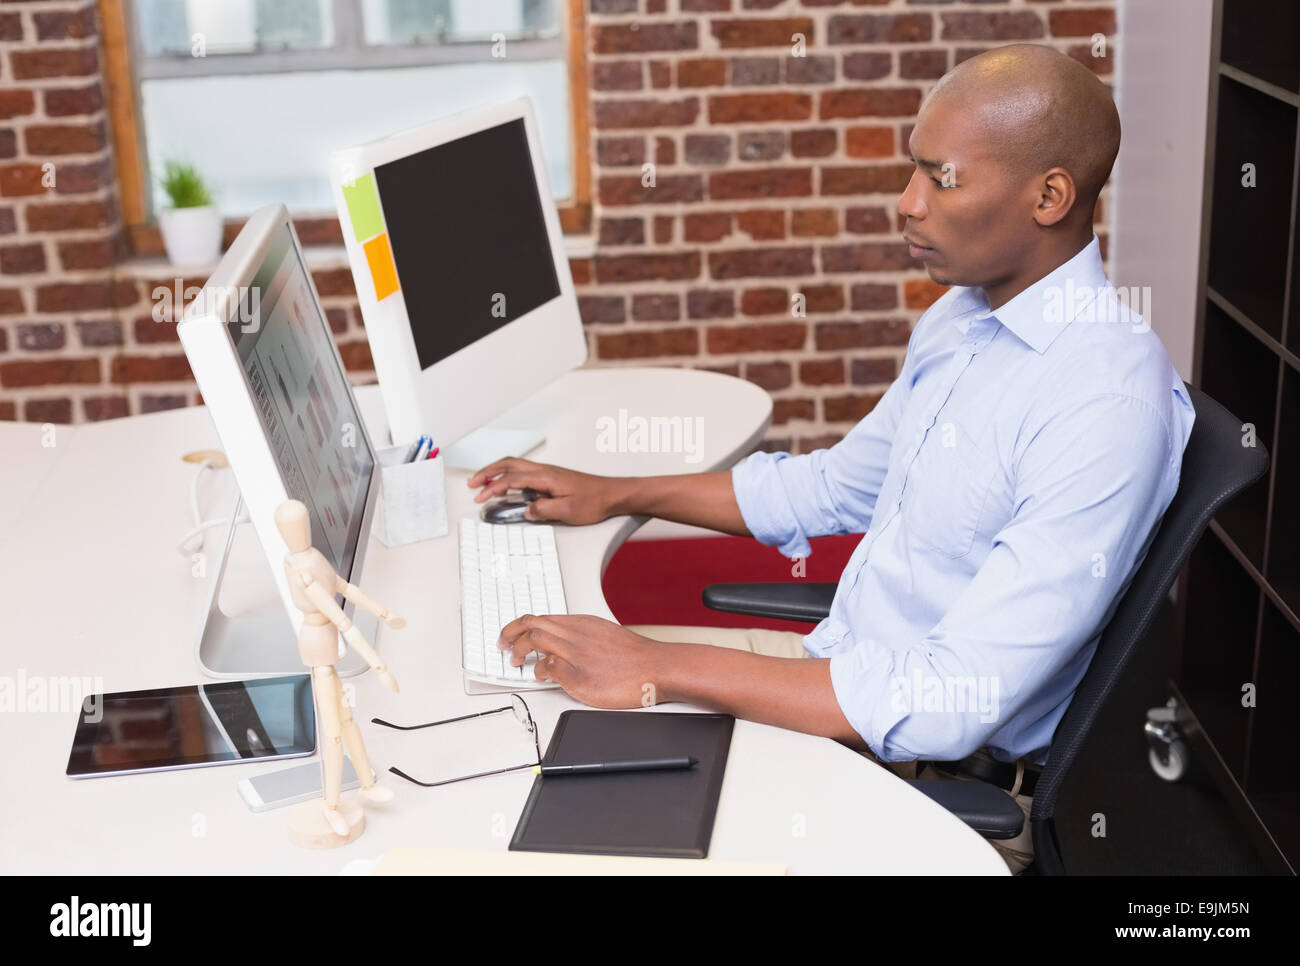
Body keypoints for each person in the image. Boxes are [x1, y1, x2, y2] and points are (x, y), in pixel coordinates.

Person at [468, 44, 1196, 874]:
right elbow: (831, 488)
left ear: (1050, 196)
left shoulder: (1104, 403)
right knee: (518, 706)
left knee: (556, 827)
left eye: (941, 178)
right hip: (837, 675)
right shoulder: (964, 321)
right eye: (910, 171)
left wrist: (654, 665)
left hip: (920, 774)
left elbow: (946, 700)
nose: (908, 203)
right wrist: (615, 492)